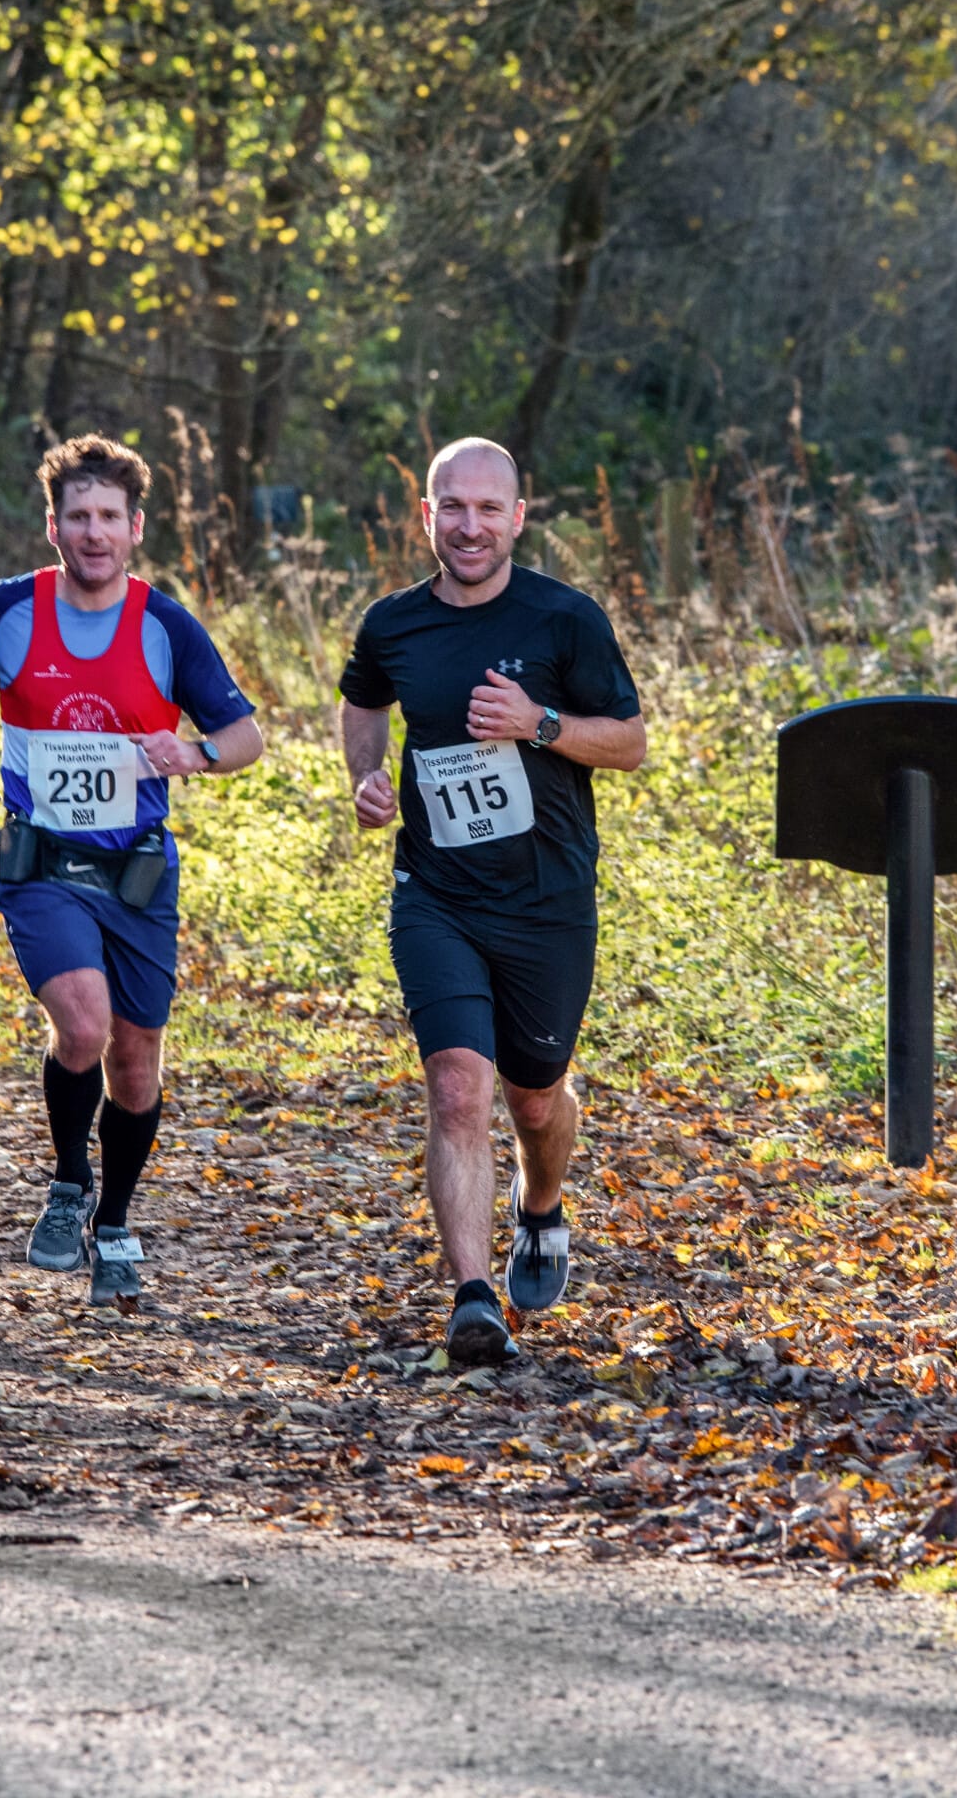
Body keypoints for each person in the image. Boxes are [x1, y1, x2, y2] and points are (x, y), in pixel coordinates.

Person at [0, 435, 265, 1309]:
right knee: (81, 1024)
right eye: (77, 516)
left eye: (108, 517)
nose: (93, 532)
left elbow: (246, 738)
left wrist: (192, 753)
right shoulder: (7, 609)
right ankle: (68, 1183)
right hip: (41, 863)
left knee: (137, 1060)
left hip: (137, 874)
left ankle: (113, 1222)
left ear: (134, 527)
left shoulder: (166, 625)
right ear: (53, 527)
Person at [337, 437, 647, 1365]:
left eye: (487, 509)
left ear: (517, 518)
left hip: (548, 899)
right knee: (458, 1088)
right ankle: (474, 1298)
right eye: (451, 508)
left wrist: (539, 724)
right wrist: (365, 774)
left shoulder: (565, 619)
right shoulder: (392, 624)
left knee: (535, 1098)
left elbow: (629, 742)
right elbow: (362, 701)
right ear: (426, 517)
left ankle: (541, 1208)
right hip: (436, 893)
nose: (469, 526)